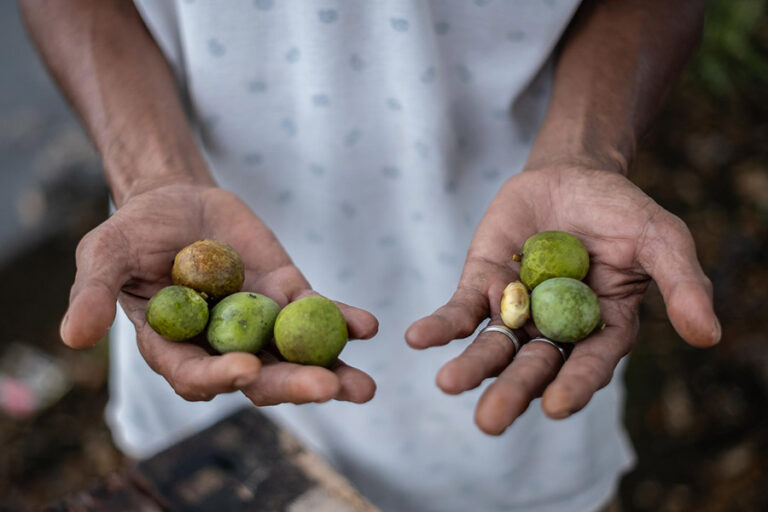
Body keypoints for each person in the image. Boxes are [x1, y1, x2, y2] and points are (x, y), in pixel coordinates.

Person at [21, 0, 719, 511]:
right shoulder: (199, 279)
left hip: (506, 227)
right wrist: (154, 174)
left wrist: (588, 153)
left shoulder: (542, 269)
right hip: (202, 223)